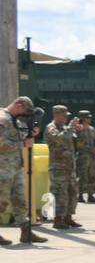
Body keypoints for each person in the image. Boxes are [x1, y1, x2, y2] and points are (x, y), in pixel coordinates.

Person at [0, 96, 46, 244]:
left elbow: (19, 135)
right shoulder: (2, 118)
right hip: (3, 169)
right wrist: (23, 143)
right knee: (1, 201)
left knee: (20, 200)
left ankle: (26, 232)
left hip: (15, 167)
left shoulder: (16, 121)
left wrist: (31, 134)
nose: (25, 115)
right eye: (25, 112)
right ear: (18, 105)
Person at [45, 106, 81, 229]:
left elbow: (76, 144)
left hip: (70, 166)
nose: (66, 118)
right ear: (56, 115)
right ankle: (58, 219)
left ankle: (68, 217)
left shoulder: (65, 128)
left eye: (67, 116)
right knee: (60, 193)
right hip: (58, 168)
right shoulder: (51, 127)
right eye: (64, 115)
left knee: (72, 192)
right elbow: (59, 138)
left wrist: (77, 131)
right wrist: (71, 128)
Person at [75, 110, 95, 204]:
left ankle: (91, 195)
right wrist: (92, 149)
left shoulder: (92, 129)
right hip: (83, 156)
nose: (89, 119)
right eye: (87, 117)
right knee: (82, 176)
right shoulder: (78, 129)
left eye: (90, 117)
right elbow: (78, 144)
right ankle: (80, 195)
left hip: (92, 156)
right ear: (82, 118)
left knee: (93, 175)